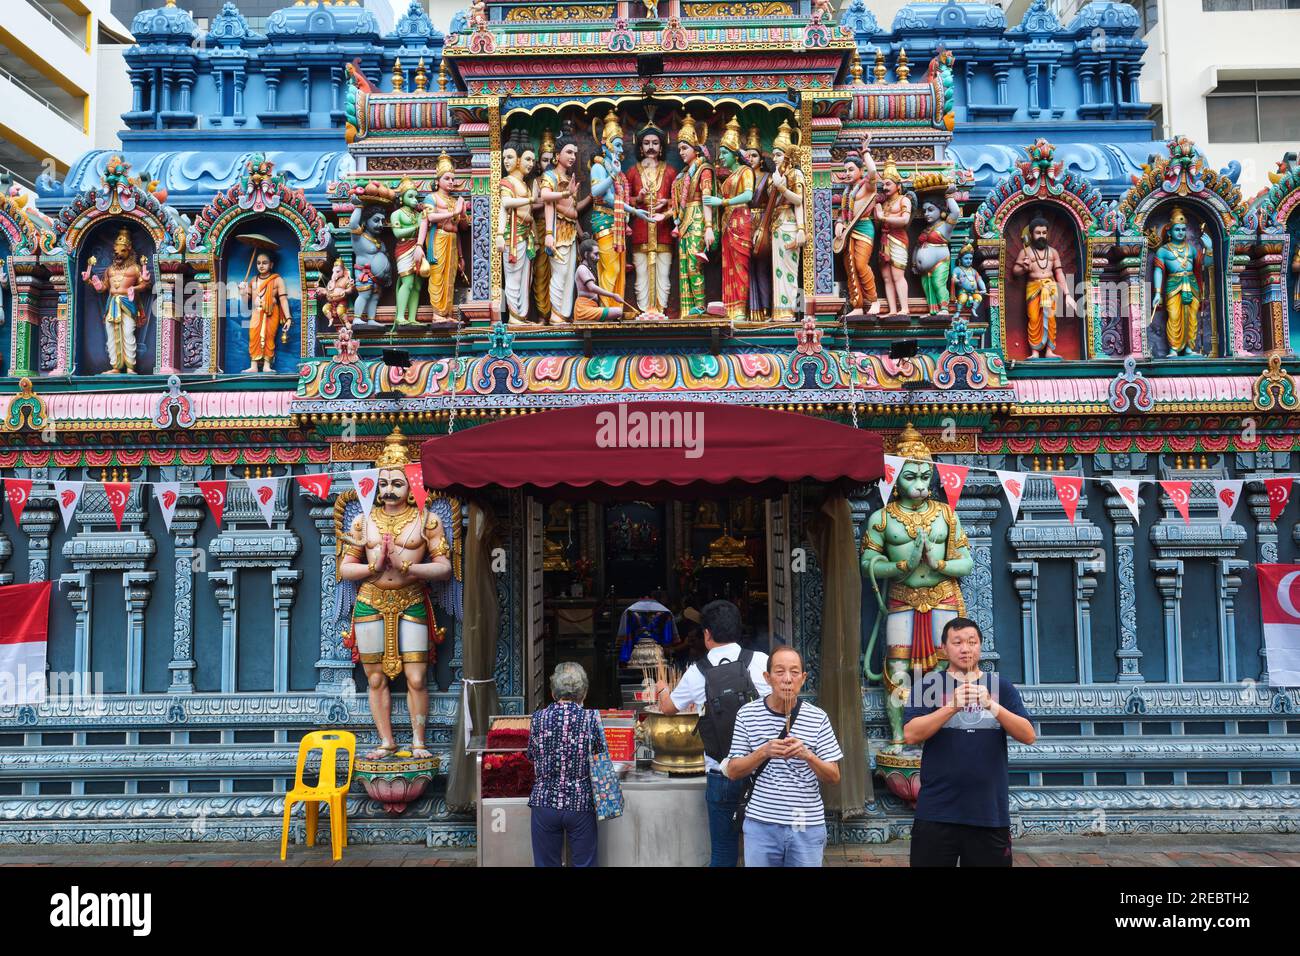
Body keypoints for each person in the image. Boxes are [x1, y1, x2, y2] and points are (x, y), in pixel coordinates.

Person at [903, 617, 1036, 867]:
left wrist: (992, 705)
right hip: (937, 811)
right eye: (958, 642)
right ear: (943, 648)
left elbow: (1028, 735)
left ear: (980, 646)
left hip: (988, 813)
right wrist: (951, 706)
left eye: (972, 642)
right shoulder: (928, 685)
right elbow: (911, 734)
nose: (966, 648)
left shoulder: (1001, 687)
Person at [653, 599, 769, 867]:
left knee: (723, 851)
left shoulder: (697, 672)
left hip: (722, 771)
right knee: (764, 849)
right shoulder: (762, 661)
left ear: (707, 635)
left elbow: (668, 708)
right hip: (763, 770)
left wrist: (661, 687)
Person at [723, 646, 842, 867]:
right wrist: (763, 752)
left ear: (803, 678)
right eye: (779, 672)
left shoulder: (818, 718)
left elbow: (834, 776)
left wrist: (808, 756)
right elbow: (733, 770)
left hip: (805, 824)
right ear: (767, 678)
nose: (787, 679)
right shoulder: (747, 714)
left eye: (794, 672)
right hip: (761, 824)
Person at [527, 661, 602, 867]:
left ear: (552, 692)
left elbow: (531, 755)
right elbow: (599, 757)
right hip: (580, 803)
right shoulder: (591, 718)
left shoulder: (538, 718)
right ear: (584, 694)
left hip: (544, 802)